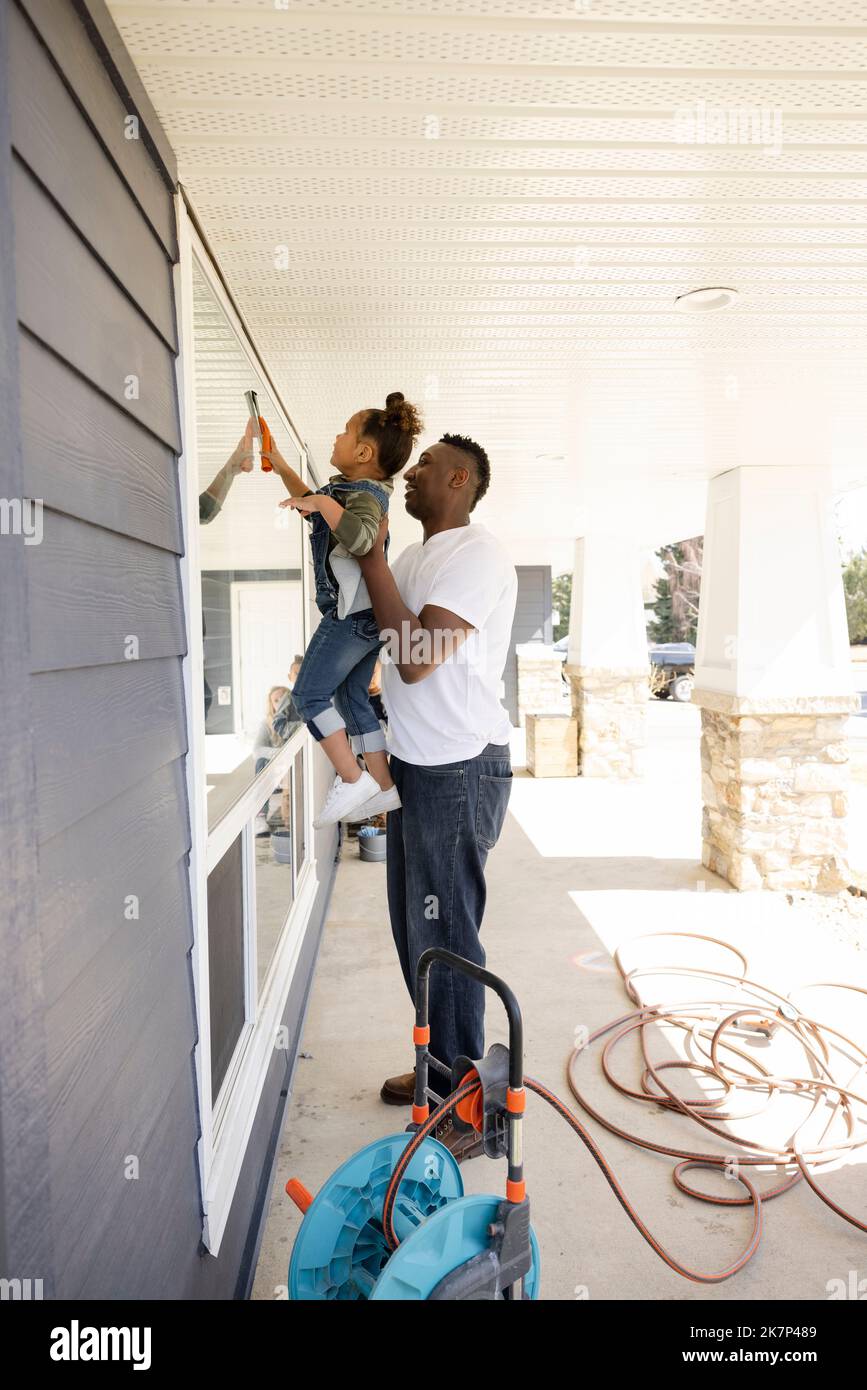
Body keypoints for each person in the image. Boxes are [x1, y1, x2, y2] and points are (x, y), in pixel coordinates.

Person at [356, 433, 518, 1161]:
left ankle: (468, 1106)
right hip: (416, 770)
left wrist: (369, 557)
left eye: (423, 465)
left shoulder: (474, 554)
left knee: (447, 938)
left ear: (458, 479)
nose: (409, 472)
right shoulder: (419, 558)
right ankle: (438, 1070)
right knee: (414, 933)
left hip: (458, 770)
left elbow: (418, 659)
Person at [263, 392, 423, 827]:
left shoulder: (367, 497)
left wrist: (323, 504)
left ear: (364, 452)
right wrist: (280, 464)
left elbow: (362, 541)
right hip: (367, 616)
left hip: (349, 616)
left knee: (308, 694)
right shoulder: (347, 493)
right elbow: (314, 507)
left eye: (345, 431)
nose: (336, 436)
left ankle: (354, 780)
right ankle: (385, 789)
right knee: (353, 700)